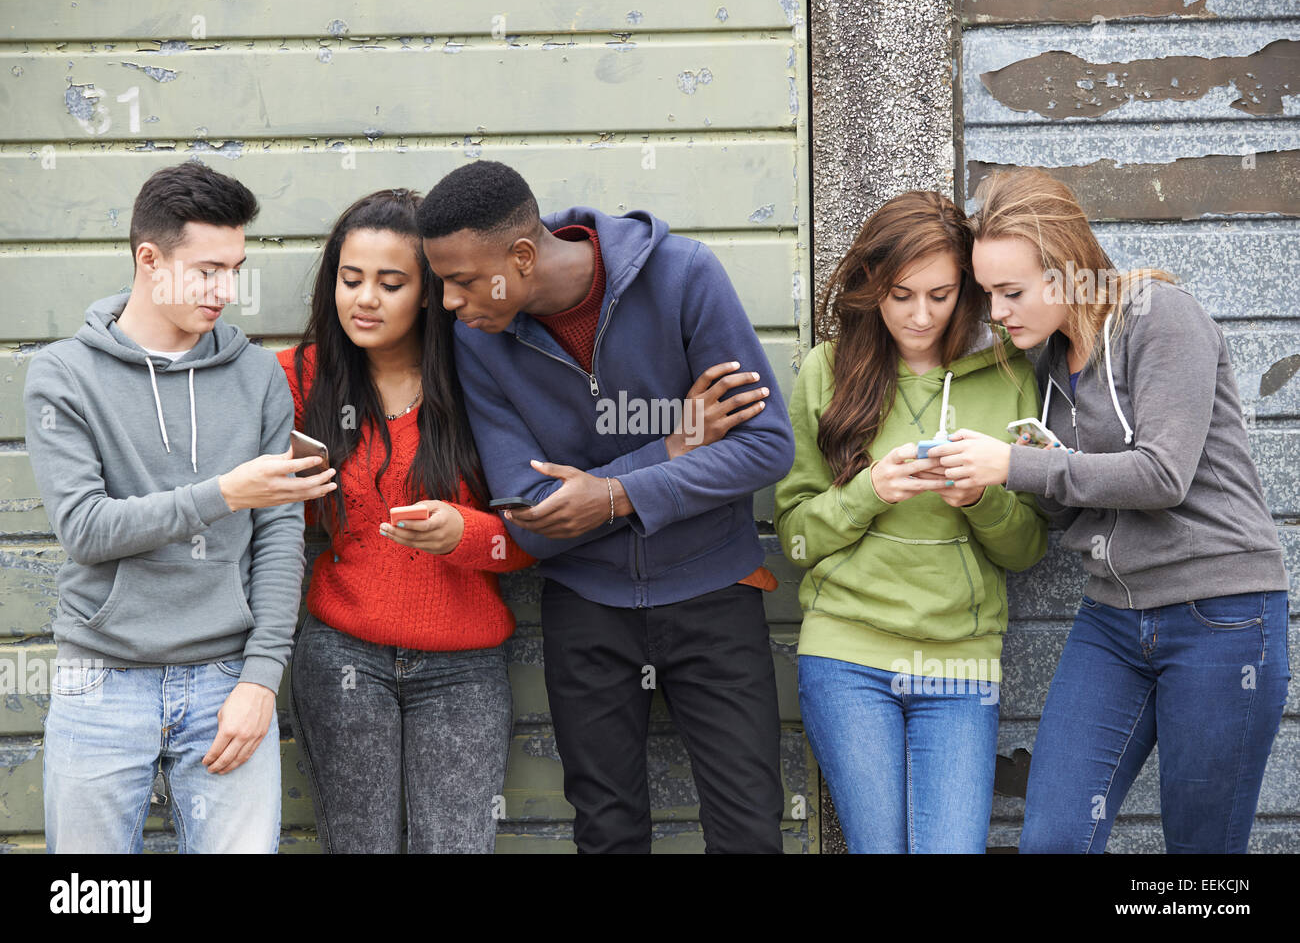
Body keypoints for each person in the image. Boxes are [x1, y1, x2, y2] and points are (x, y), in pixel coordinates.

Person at [417, 160, 794, 853]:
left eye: (462, 279)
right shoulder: (477, 339)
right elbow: (530, 517)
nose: (446, 301)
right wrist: (671, 450)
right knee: (607, 835)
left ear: (522, 256)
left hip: (715, 592)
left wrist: (610, 494)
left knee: (749, 831)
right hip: (585, 608)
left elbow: (768, 448)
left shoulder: (683, 276)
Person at [935, 167, 1291, 853]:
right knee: (1054, 838)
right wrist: (982, 485)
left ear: (1066, 270)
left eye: (1012, 291)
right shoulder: (1044, 373)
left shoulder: (1158, 316)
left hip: (1221, 614)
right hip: (1113, 619)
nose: (998, 313)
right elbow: (1071, 511)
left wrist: (1014, 464)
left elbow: (1163, 474)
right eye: (988, 295)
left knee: (1202, 856)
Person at [25, 161, 335, 853]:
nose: (227, 289)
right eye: (207, 270)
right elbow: (85, 528)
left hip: (228, 679)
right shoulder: (64, 374)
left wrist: (261, 679)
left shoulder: (256, 375)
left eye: (236, 268)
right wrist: (226, 492)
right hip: (102, 679)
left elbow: (281, 539)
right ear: (149, 258)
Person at [774, 190, 1047, 853]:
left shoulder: (1008, 375)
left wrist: (981, 497)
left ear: (967, 290)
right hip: (847, 654)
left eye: (941, 294)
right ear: (872, 287)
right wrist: (870, 489)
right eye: (901, 295)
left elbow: (1029, 549)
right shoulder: (827, 371)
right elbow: (796, 538)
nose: (920, 315)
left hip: (960, 663)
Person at [279, 188, 535, 854]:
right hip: (342, 655)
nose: (365, 298)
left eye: (390, 283)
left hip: (465, 667)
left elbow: (536, 534)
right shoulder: (301, 380)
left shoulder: (478, 382)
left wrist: (468, 534)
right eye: (350, 278)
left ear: (427, 292)